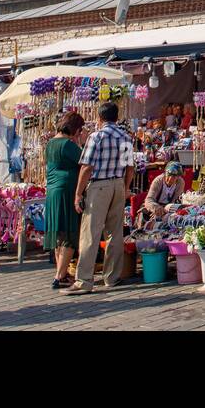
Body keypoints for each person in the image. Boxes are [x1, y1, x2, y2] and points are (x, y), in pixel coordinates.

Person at [66, 102, 134, 294]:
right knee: (115, 233)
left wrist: (78, 193)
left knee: (90, 233)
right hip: (118, 184)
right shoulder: (125, 137)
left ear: (100, 118)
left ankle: (84, 280)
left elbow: (86, 167)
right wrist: (125, 187)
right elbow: (130, 167)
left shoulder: (96, 137)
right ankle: (112, 277)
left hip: (99, 185)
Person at [42, 111, 85, 289]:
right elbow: (85, 160)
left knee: (59, 234)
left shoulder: (51, 143)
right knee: (69, 232)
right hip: (67, 190)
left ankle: (61, 272)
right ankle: (60, 275)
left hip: (52, 190)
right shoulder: (67, 144)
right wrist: (80, 142)